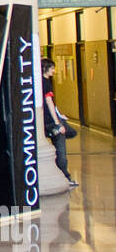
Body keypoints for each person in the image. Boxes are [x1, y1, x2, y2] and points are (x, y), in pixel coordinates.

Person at [41, 58, 78, 187]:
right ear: (45, 69)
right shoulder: (45, 83)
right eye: (52, 68)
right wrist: (58, 123)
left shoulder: (38, 82)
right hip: (51, 122)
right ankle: (65, 177)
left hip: (46, 121)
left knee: (69, 133)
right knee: (61, 150)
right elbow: (49, 102)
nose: (54, 71)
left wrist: (58, 114)